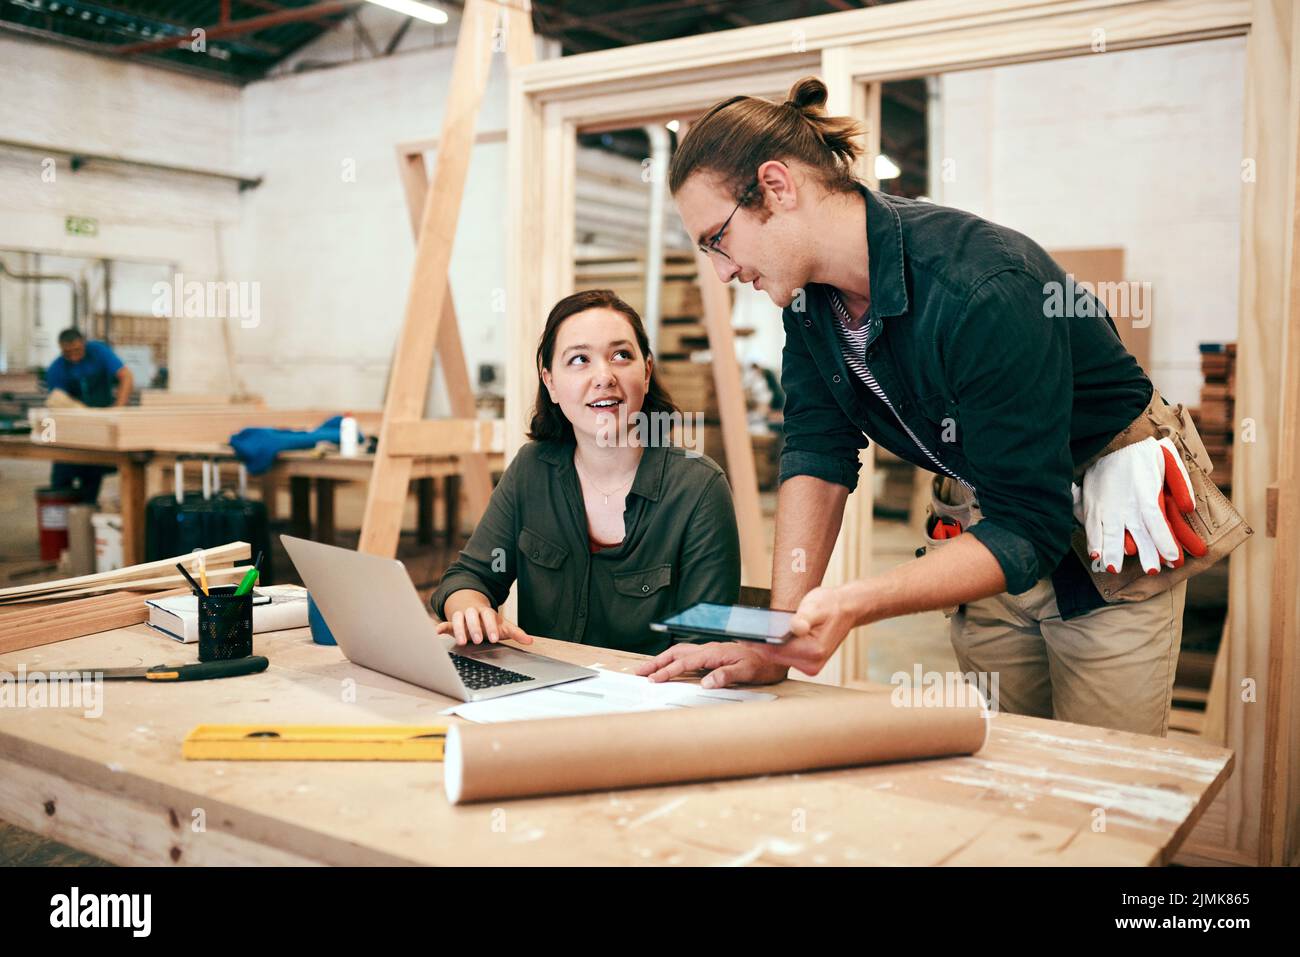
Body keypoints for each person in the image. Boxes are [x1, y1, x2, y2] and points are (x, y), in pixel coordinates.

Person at [639, 76, 1241, 736]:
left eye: (717, 239)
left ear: (777, 187)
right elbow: (818, 448)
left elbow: (1031, 523)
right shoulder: (808, 304)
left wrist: (852, 601)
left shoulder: (979, 288)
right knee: (1004, 757)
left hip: (1111, 520)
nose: (722, 271)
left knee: (1102, 774)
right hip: (993, 511)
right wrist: (780, 632)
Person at [430, 289, 741, 656]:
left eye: (621, 355)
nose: (604, 376)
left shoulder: (699, 489)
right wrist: (471, 607)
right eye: (579, 359)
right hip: (539, 698)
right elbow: (470, 577)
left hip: (651, 704)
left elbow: (701, 650)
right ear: (550, 383)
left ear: (646, 370)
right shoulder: (532, 470)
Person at [45, 328, 133, 504]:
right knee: (61, 481)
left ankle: (85, 515)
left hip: (100, 427)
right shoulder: (56, 369)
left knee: (93, 475)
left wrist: (118, 409)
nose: (74, 357)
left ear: (84, 343)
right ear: (61, 349)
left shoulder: (99, 352)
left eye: (77, 351)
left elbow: (126, 376)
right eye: (67, 353)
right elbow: (56, 402)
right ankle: (63, 523)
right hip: (71, 433)